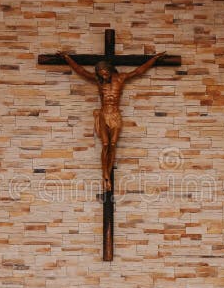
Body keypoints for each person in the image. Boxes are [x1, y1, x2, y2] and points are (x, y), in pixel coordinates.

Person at [58, 51, 167, 191]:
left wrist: (155, 59)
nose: (103, 76)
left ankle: (107, 174)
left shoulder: (120, 78)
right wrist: (67, 58)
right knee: (105, 144)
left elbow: (139, 71)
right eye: (100, 73)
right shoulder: (99, 80)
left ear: (109, 70)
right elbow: (81, 71)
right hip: (104, 114)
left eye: (104, 72)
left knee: (113, 144)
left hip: (115, 114)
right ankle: (105, 176)